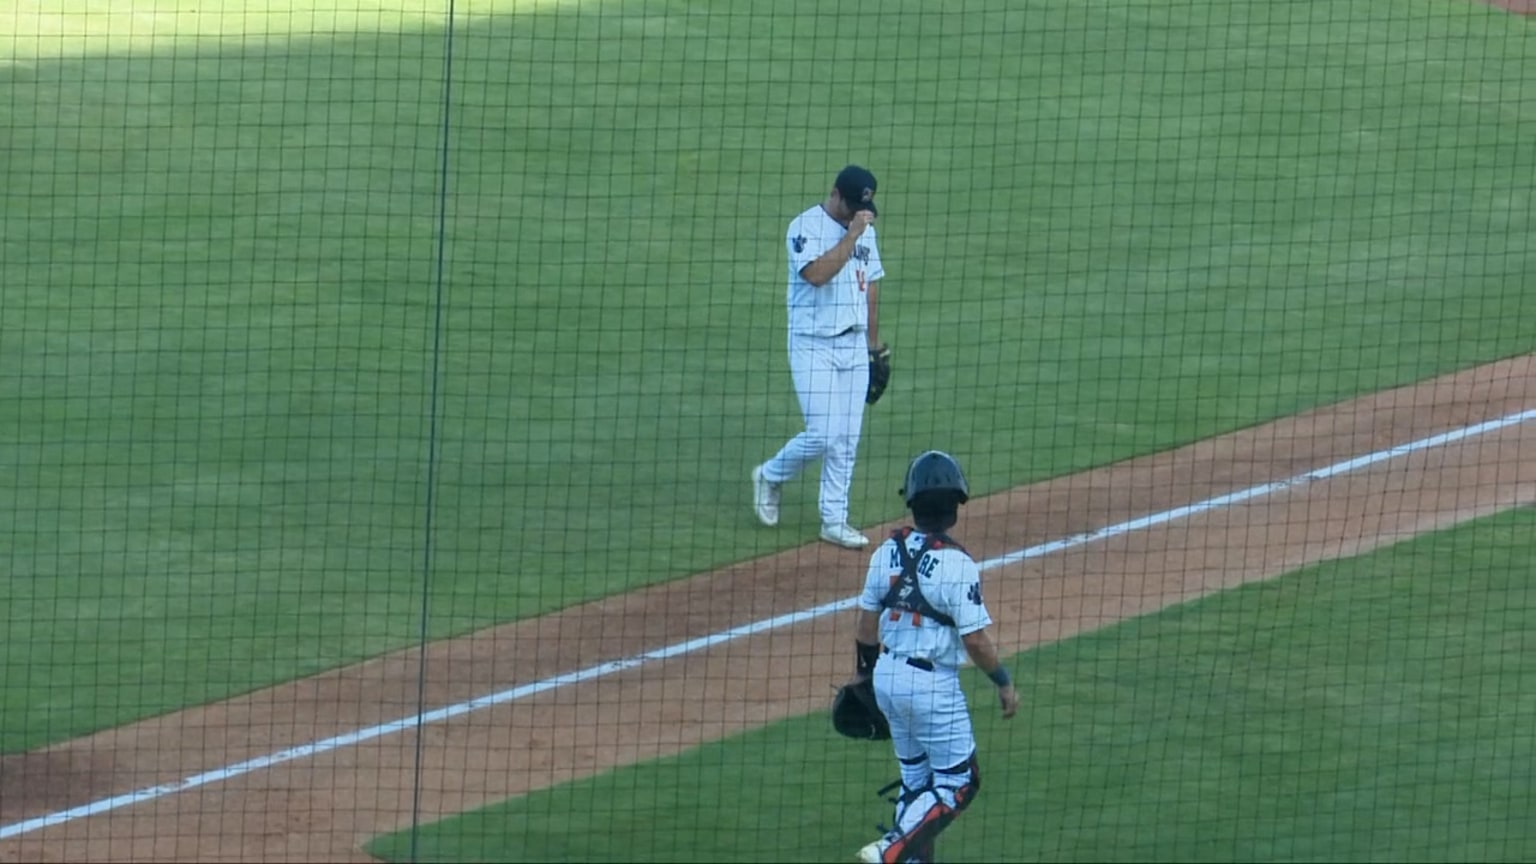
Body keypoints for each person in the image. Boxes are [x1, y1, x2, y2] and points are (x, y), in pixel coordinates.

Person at [849, 450, 1019, 864]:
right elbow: (976, 641)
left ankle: (910, 860)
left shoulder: (885, 552)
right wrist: (1003, 681)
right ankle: (893, 850)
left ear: (912, 502)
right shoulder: (957, 564)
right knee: (961, 782)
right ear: (955, 505)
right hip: (931, 685)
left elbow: (865, 628)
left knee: (917, 780)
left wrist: (868, 679)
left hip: (888, 673)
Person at [752, 164, 886, 549]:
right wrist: (853, 234)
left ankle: (834, 519)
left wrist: (873, 347)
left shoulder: (864, 228)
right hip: (813, 344)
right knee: (825, 432)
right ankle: (770, 475)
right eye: (853, 209)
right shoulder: (804, 227)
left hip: (853, 344)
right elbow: (816, 275)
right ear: (836, 195)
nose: (859, 217)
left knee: (847, 439)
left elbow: (871, 286)